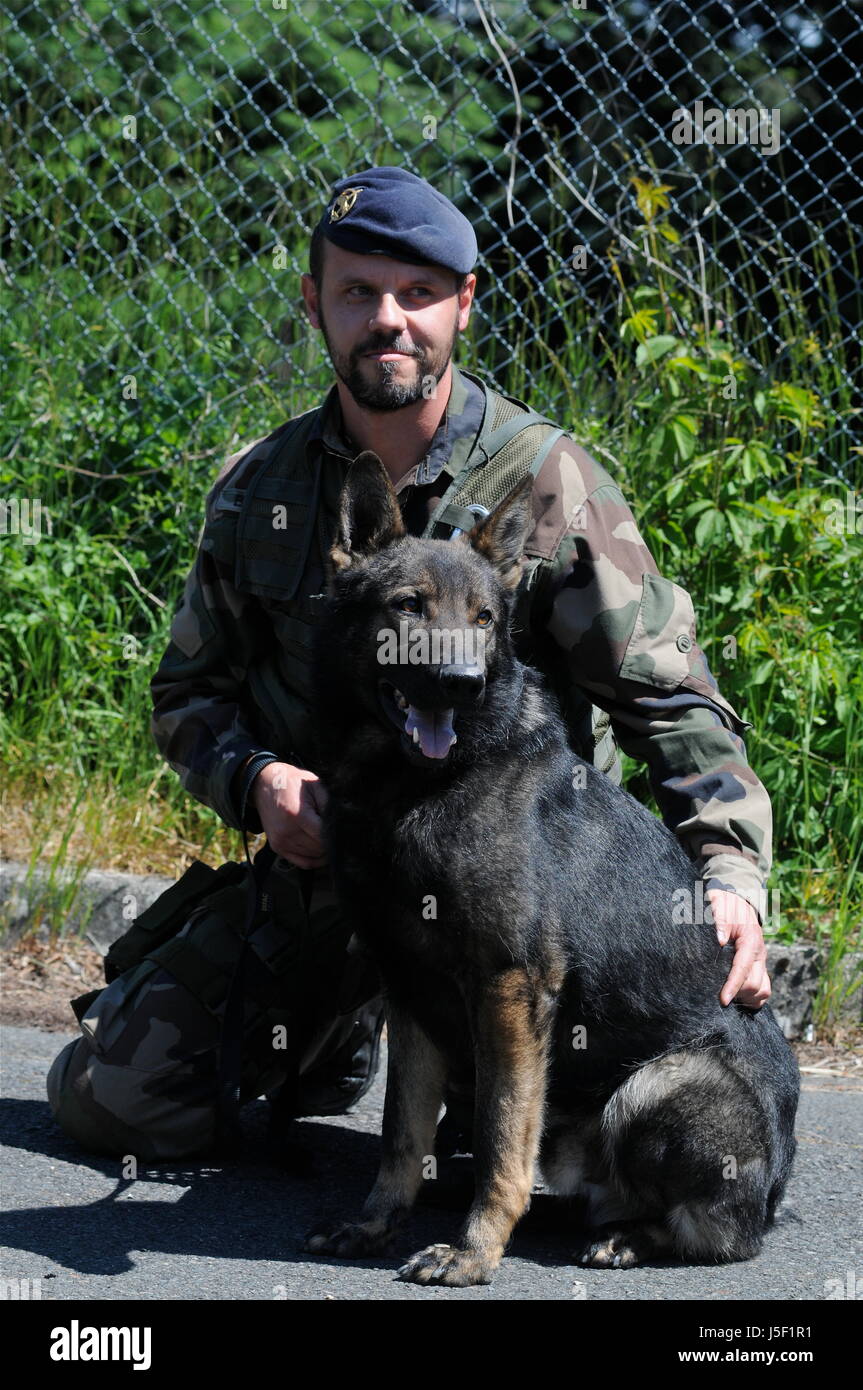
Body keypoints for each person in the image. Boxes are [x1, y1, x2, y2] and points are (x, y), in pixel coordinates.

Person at [47, 166, 773, 1162]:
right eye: (356, 292)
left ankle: (444, 1076)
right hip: (331, 878)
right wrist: (254, 782)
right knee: (113, 1104)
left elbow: (673, 701)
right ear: (314, 305)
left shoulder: (547, 484)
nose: (387, 319)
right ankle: (337, 1040)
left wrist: (726, 871)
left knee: (543, 1161)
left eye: (418, 293)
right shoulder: (260, 487)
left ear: (462, 305)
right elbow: (186, 697)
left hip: (509, 902)